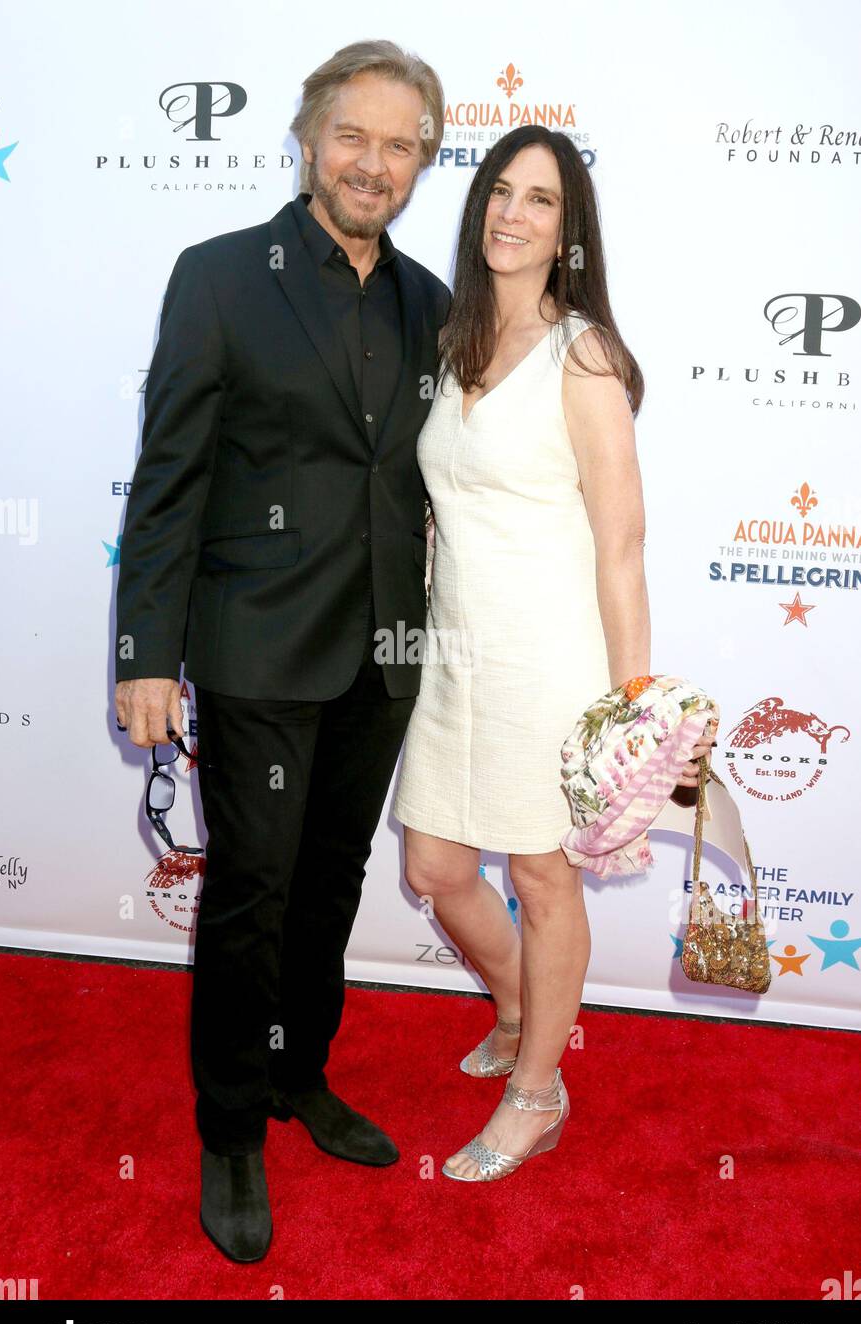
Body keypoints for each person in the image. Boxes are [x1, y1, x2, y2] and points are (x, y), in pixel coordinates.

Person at [114, 40, 450, 1260]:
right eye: (354, 136)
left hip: (382, 648)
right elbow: (168, 480)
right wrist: (147, 649)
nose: (375, 163)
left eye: (401, 145)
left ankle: (298, 1074)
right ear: (309, 139)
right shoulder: (219, 278)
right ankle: (228, 1128)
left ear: (421, 162)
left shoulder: (428, 302)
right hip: (255, 641)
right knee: (252, 893)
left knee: (331, 882)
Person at [391, 126, 716, 1182]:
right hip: (454, 655)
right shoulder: (452, 341)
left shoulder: (583, 355)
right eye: (499, 192)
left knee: (540, 874)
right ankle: (524, 1006)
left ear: (567, 233)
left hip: (548, 657)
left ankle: (537, 1089)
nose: (510, 214)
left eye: (538, 200)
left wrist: (633, 709)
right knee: (434, 866)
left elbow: (620, 544)